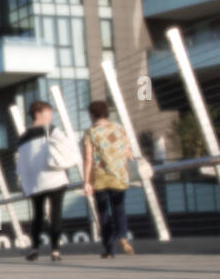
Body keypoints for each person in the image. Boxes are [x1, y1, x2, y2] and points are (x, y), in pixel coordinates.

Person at [15, 100, 77, 262]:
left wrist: (24, 184)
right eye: (48, 113)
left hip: (35, 182)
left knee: (38, 215)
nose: (51, 116)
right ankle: (55, 250)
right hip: (55, 178)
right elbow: (68, 147)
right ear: (38, 114)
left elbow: (21, 164)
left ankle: (35, 248)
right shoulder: (51, 130)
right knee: (55, 214)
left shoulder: (23, 137)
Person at [82, 99, 135, 259]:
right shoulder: (119, 129)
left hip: (100, 177)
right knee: (119, 209)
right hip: (119, 174)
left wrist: (86, 182)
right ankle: (123, 237)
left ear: (92, 114)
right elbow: (127, 152)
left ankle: (109, 249)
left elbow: (89, 159)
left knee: (103, 213)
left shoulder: (91, 132)